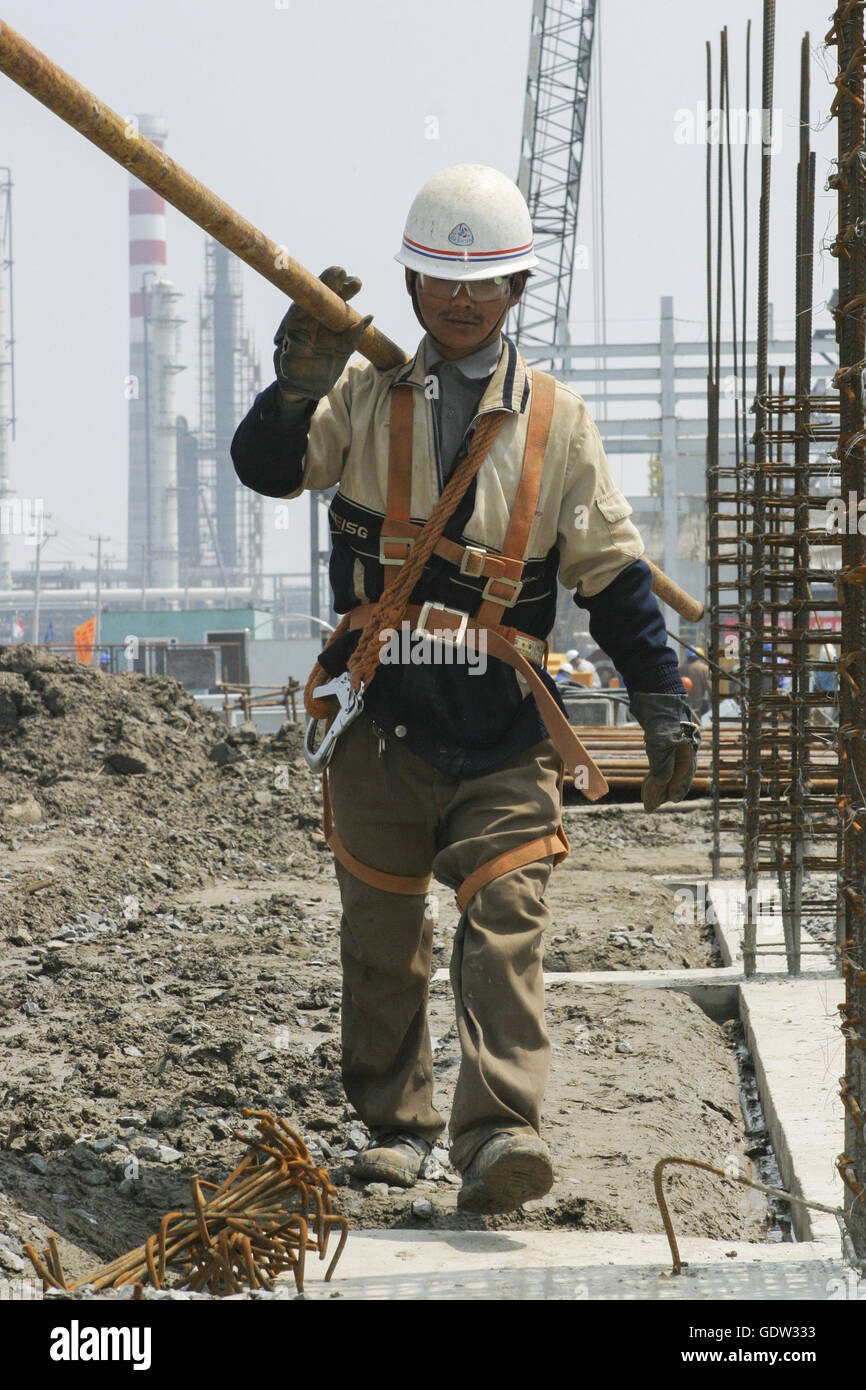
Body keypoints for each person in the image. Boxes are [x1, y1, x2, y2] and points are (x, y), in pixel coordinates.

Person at [231, 164, 699, 1214]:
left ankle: (499, 1137)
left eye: (477, 282)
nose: (455, 300)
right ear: (406, 284)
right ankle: (394, 1130)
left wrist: (662, 699)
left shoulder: (558, 424)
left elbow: (613, 579)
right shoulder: (360, 393)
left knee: (504, 923)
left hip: (500, 731)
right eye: (437, 278)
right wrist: (293, 387)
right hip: (381, 724)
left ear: (516, 289)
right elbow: (266, 467)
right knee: (383, 938)